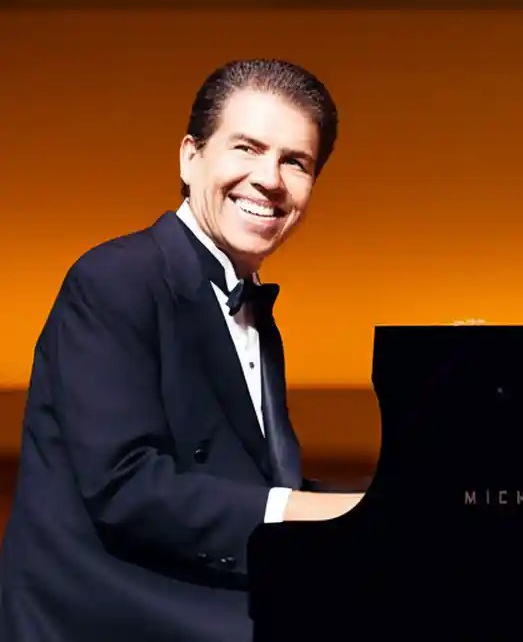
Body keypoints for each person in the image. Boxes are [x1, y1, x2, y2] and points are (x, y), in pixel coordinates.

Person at [0, 59, 364, 641]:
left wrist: (384, 505)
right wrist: (342, 515)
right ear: (190, 157)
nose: (270, 179)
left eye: (295, 162)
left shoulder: (251, 313)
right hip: (108, 617)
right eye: (246, 148)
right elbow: (129, 487)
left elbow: (247, 482)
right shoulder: (115, 278)